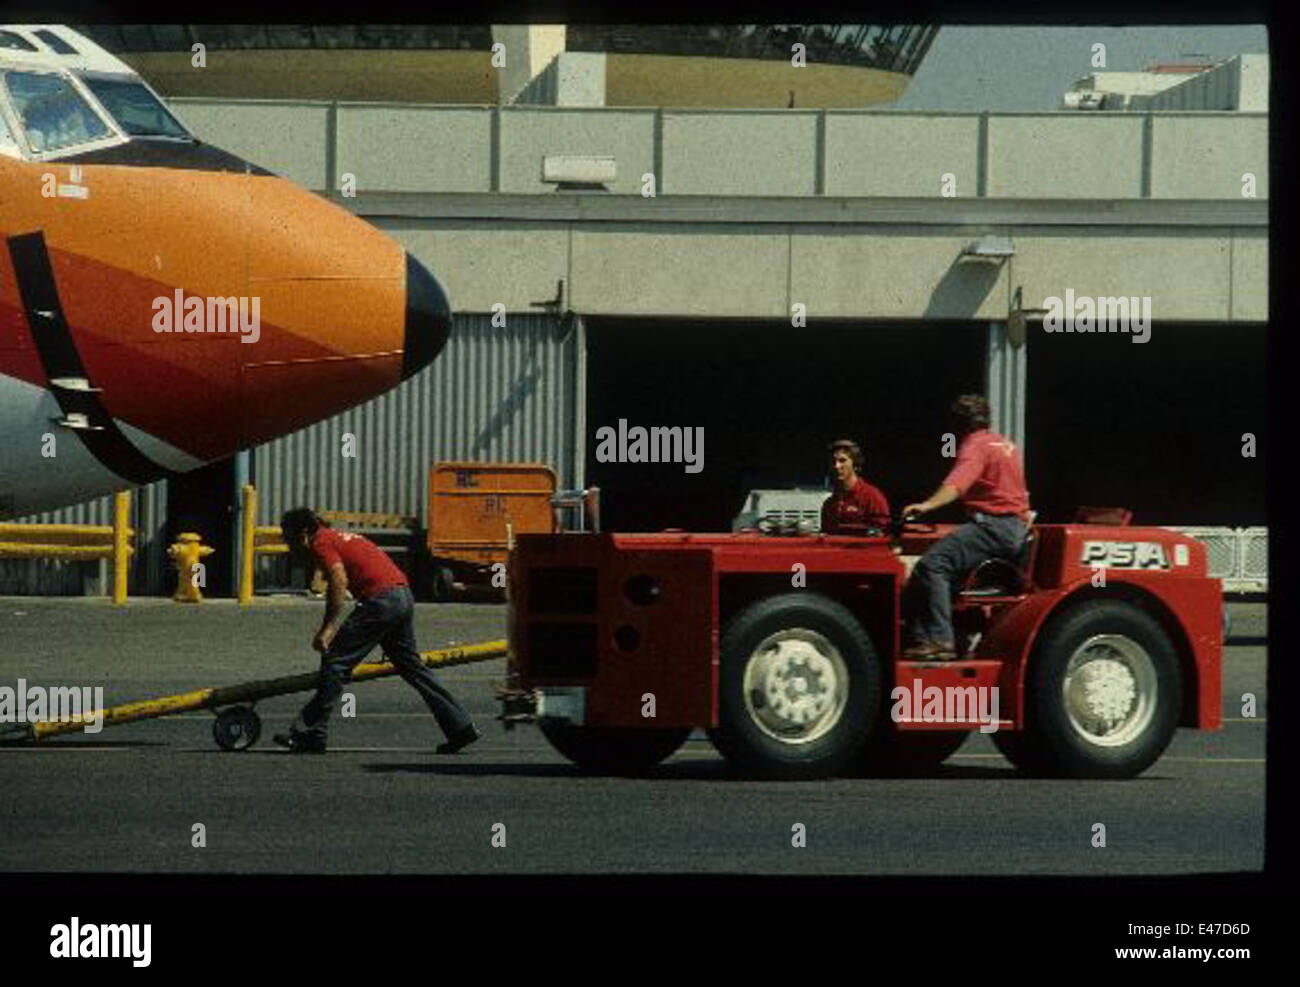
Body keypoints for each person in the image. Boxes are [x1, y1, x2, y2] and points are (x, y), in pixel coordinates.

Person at [274, 508, 480, 754]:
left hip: (380, 600)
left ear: (304, 533)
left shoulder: (321, 543)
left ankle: (312, 733)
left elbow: (339, 581)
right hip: (402, 595)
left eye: (288, 538)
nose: (288, 546)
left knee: (336, 663)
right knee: (411, 667)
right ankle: (460, 727)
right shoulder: (336, 536)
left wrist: (327, 628)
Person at [900, 395, 1031, 660]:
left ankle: (939, 641)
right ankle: (954, 635)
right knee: (947, 573)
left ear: (961, 423)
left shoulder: (975, 446)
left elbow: (956, 486)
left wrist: (925, 506)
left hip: (993, 527)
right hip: (1013, 528)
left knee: (931, 566)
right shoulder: (1006, 445)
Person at [821, 438, 891, 534]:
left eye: (842, 460)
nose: (836, 466)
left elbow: (883, 535)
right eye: (833, 462)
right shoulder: (829, 503)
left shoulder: (872, 497)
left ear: (855, 464)